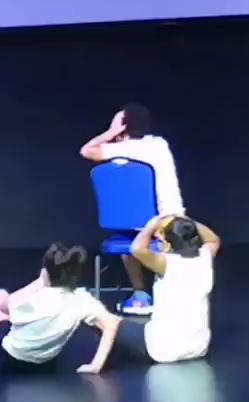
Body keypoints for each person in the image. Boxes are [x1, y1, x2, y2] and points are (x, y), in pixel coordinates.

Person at [78, 103, 185, 315]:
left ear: (123, 127)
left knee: (128, 232)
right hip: (170, 219)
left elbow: (86, 151)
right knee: (130, 232)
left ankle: (140, 294)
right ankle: (150, 294)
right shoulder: (159, 144)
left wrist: (110, 133)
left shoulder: (126, 148)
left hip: (158, 224)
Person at [0, 243, 122, 376]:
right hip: (43, 364)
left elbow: (4, 307)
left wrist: (39, 282)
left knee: (0, 299)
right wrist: (95, 366)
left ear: (45, 272)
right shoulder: (83, 300)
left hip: (9, 362)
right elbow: (111, 325)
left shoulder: (36, 297)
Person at [114, 214, 221, 364]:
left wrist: (150, 226)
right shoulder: (205, 257)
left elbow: (136, 249)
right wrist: (186, 222)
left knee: (109, 323)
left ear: (168, 245)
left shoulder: (166, 264)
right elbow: (213, 239)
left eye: (161, 237)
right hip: (198, 349)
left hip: (164, 352)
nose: (158, 238)